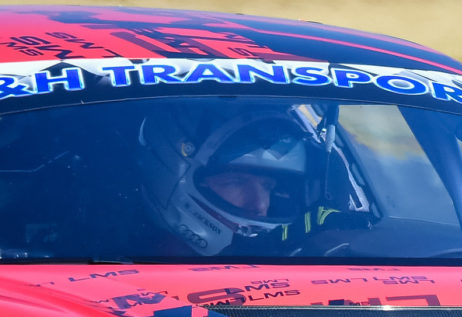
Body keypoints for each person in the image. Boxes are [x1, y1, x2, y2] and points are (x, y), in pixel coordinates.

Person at [136, 101, 329, 256]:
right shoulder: (115, 280)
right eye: (236, 182)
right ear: (172, 176)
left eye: (267, 186)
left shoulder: (298, 265)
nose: (260, 205)